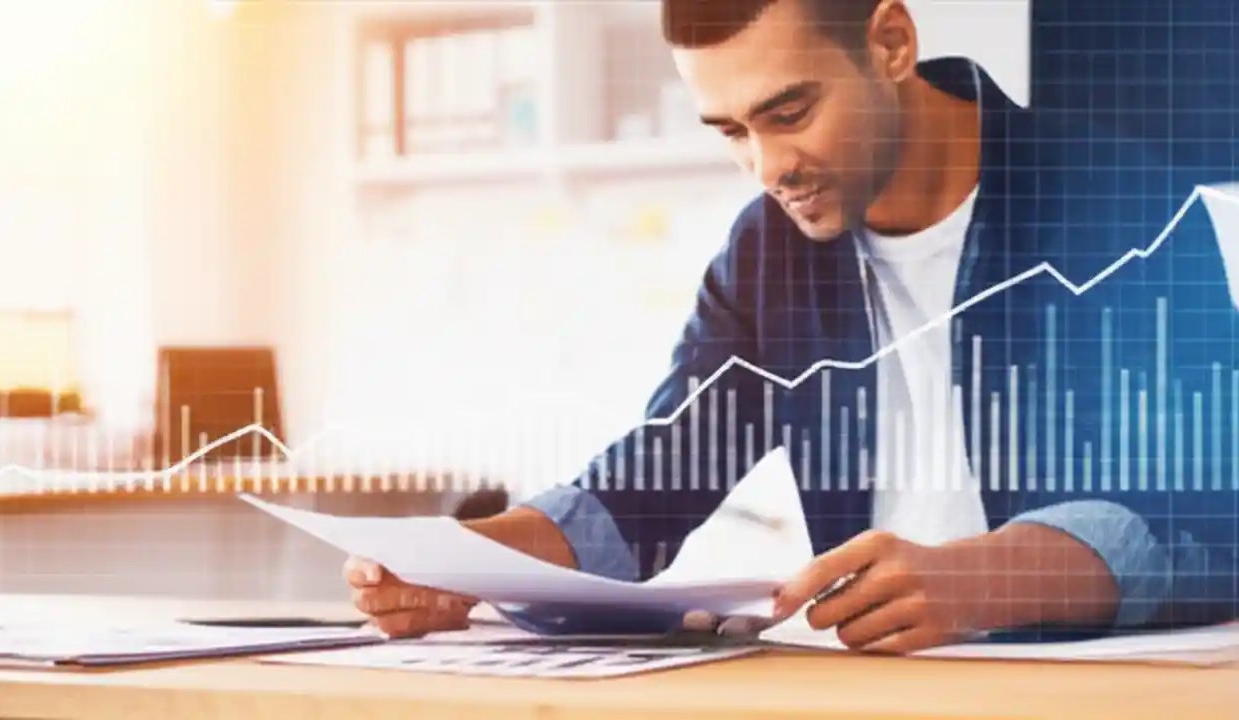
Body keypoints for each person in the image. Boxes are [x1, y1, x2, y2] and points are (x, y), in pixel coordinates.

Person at [346, 0, 1239, 653]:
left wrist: (984, 576)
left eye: (790, 112)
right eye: (732, 129)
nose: (768, 167)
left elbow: (1210, 520)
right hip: (866, 688)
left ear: (890, 42)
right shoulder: (768, 249)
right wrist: (464, 565)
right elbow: (645, 488)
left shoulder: (1125, 202)